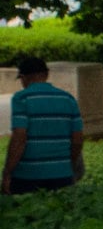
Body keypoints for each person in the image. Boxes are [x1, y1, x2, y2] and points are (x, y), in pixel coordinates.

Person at [3, 56, 84, 194]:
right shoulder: (68, 99)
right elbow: (77, 140)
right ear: (47, 75)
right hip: (62, 175)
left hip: (27, 175)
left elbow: (19, 138)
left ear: (23, 78)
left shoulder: (21, 98)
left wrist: (7, 173)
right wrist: (67, 164)